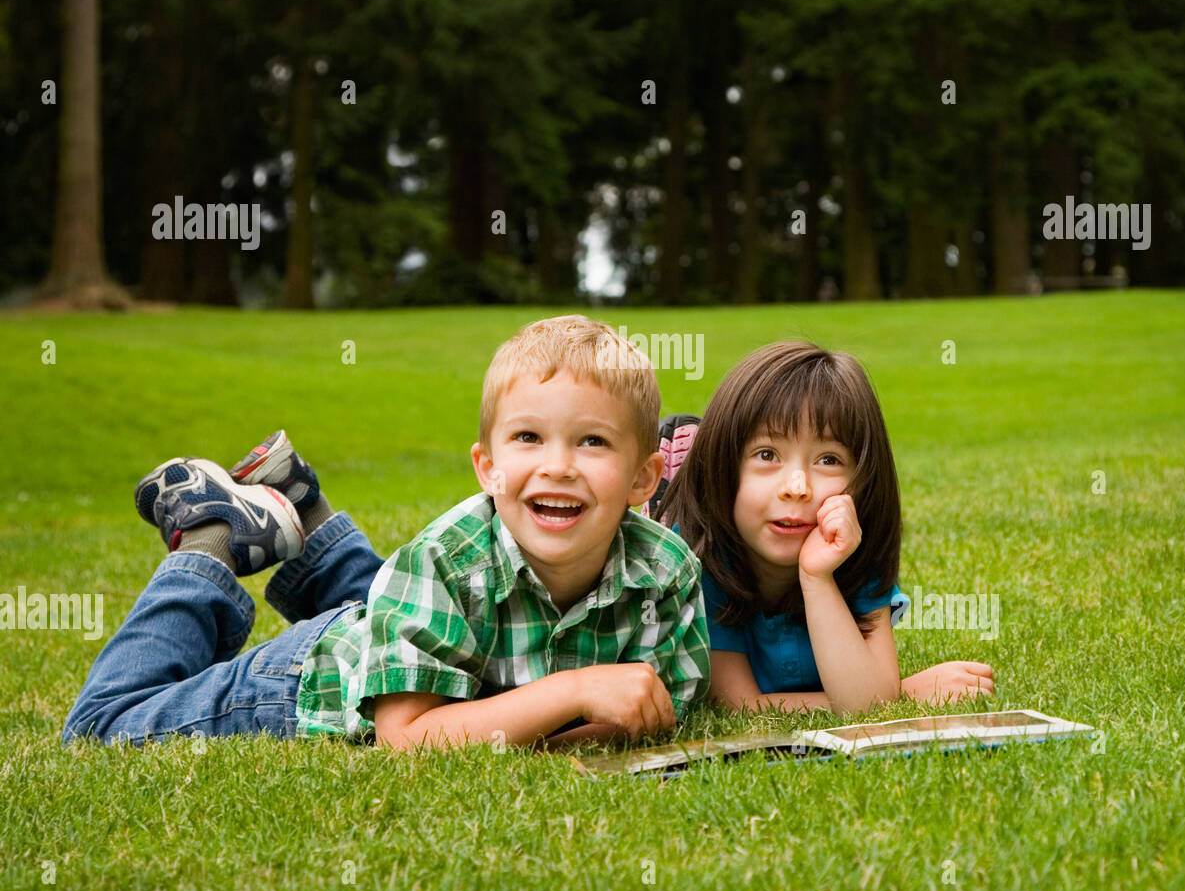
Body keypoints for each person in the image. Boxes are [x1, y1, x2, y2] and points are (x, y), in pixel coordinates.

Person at [63, 315, 710, 751]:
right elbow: (408, 737)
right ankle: (208, 537)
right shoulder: (449, 560)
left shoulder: (666, 570)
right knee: (102, 727)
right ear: (487, 468)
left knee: (392, 602)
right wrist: (570, 692)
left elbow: (659, 703)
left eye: (593, 441)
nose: (559, 465)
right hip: (305, 679)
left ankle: (305, 517)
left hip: (408, 631)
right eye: (528, 438)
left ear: (643, 478)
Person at [654, 341, 995, 713]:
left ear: (863, 482)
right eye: (767, 455)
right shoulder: (701, 560)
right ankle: (667, 493)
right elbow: (738, 705)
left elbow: (866, 703)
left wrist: (818, 577)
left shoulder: (853, 551)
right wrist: (907, 692)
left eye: (828, 460)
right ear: (725, 469)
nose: (797, 487)